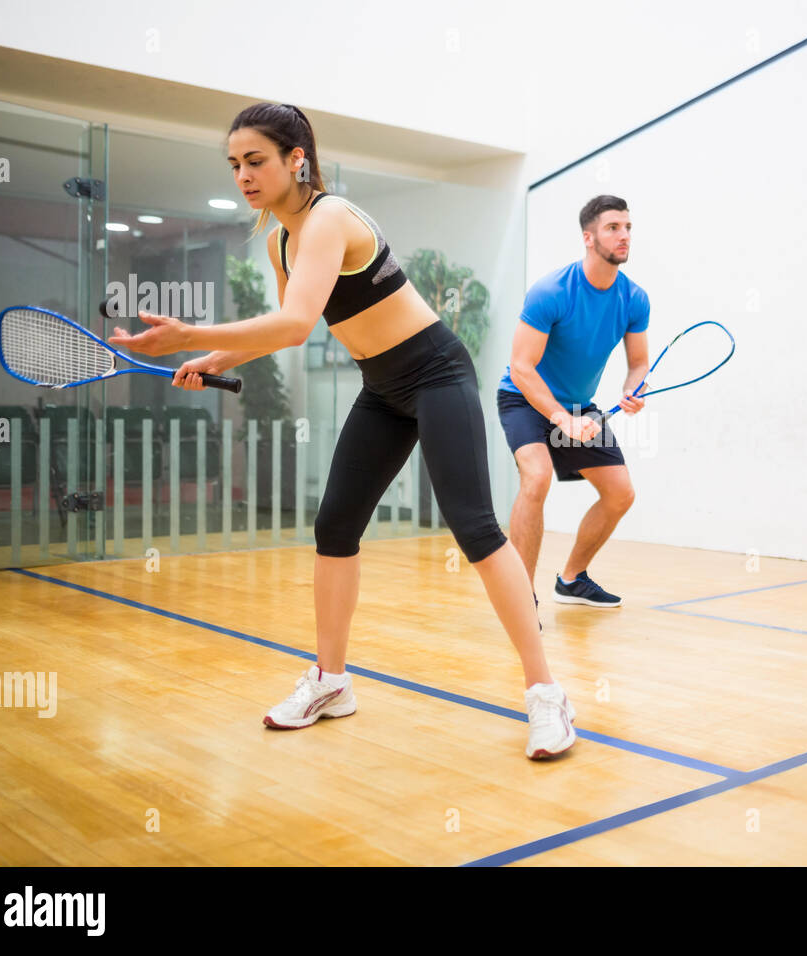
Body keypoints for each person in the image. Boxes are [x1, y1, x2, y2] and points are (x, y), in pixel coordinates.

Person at [109, 102, 575, 759]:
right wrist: (209, 360)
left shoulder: (328, 219)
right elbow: (282, 326)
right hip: (383, 387)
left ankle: (547, 694)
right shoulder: (277, 238)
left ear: (296, 159)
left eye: (256, 161)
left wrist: (192, 333)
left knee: (472, 524)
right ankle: (332, 681)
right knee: (335, 525)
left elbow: (298, 324)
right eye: (235, 164)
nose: (243, 175)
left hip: (437, 373)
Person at [496, 195, 650, 614]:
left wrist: (633, 389)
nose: (624, 236)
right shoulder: (551, 292)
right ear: (588, 237)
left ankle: (572, 580)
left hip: (580, 407)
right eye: (613, 227)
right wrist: (560, 418)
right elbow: (522, 367)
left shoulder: (634, 299)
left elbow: (638, 363)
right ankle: (520, 597)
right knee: (537, 478)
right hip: (524, 399)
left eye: (628, 228)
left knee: (620, 493)